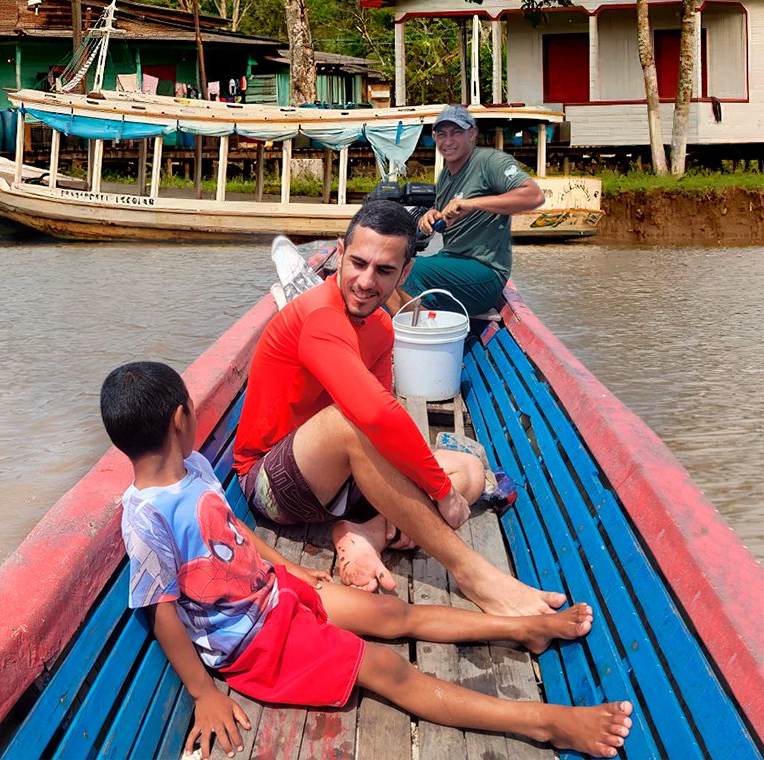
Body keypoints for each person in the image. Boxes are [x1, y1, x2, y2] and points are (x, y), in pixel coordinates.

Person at [100, 360, 632, 759]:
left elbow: (233, 528)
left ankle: (526, 630)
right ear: (181, 416)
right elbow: (162, 610)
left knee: (392, 615)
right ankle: (546, 723)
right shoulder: (144, 517)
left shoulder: (194, 467)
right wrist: (203, 693)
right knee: (387, 667)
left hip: (273, 591)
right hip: (255, 642)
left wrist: (282, 569)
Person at [234, 199, 565, 618]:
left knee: (471, 472)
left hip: (341, 479)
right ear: (339, 252)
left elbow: (385, 417)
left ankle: (366, 533)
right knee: (351, 423)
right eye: (357, 263)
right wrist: (438, 493)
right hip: (275, 483)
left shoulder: (381, 327)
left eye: (384, 270)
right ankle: (474, 575)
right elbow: (372, 415)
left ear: (405, 273)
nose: (365, 281)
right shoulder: (320, 317)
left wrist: (433, 481)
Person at [388, 104, 546, 317]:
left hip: (485, 272)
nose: (448, 141)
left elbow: (534, 195)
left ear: (472, 133)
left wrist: (473, 204)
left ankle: (424, 336)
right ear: (434, 137)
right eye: (442, 134)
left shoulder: (490, 162)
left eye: (456, 133)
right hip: (452, 262)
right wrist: (431, 215)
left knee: (410, 272)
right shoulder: (446, 175)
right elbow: (447, 217)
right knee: (390, 265)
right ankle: (405, 332)